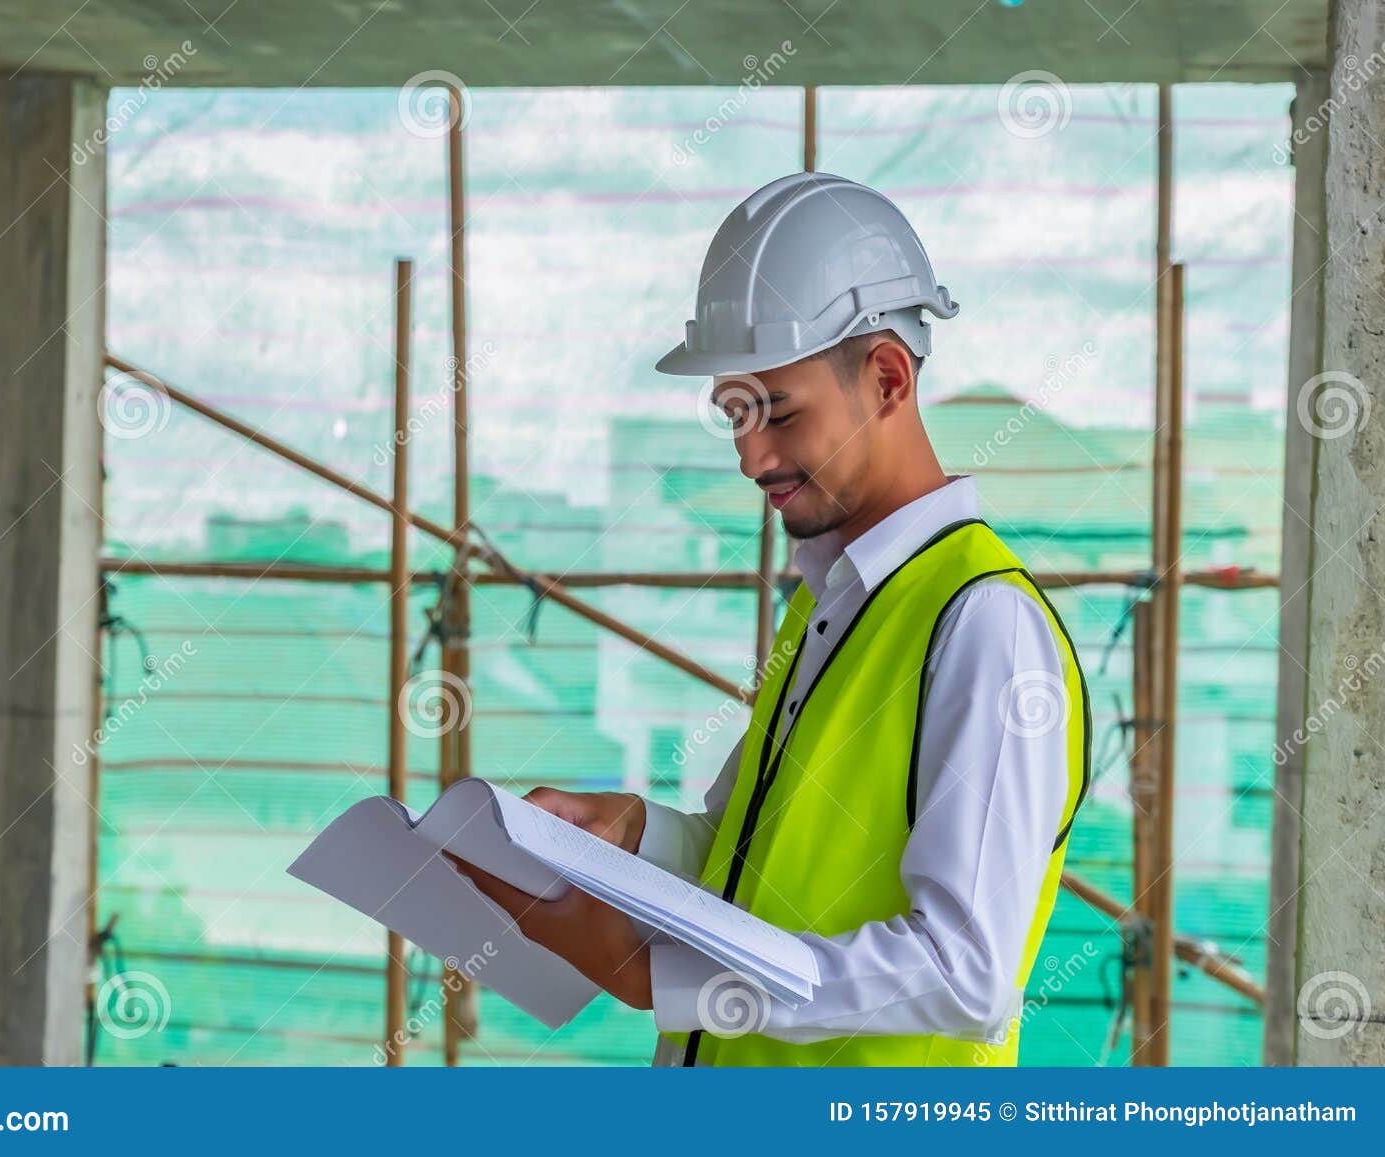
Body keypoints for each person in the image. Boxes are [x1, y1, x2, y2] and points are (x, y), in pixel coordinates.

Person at [450, 172, 1090, 1066]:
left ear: (888, 378)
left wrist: (660, 976)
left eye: (780, 413)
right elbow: (755, 858)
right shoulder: (835, 600)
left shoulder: (983, 625)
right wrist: (635, 832)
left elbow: (964, 971)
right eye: (736, 416)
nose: (752, 457)